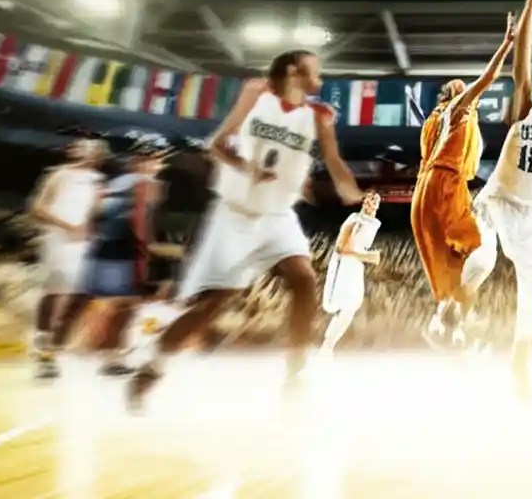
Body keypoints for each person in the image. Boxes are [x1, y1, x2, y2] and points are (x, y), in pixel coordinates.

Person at [127, 50, 362, 411]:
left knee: (303, 279)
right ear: (292, 70)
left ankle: (294, 375)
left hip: (277, 214)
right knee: (210, 306)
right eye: (314, 69)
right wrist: (246, 167)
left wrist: (350, 189)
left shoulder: (320, 115)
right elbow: (216, 144)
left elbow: (334, 160)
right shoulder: (257, 92)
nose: (321, 77)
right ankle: (150, 371)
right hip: (234, 214)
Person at [464, 17, 532, 399]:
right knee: (480, 258)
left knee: (531, 288)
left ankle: (519, 361)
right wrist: (527, 33)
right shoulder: (523, 112)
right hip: (495, 200)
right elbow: (520, 73)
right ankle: (455, 320)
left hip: (531, 216)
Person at [411, 0, 520, 349]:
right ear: (453, 94)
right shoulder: (457, 108)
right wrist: (506, 44)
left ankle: (451, 326)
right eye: (461, 85)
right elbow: (488, 78)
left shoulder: (431, 122)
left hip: (425, 191)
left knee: (458, 267)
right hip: (444, 183)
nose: (466, 87)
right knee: (485, 252)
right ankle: (449, 320)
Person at [49, 139, 179, 376]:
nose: (160, 164)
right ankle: (111, 358)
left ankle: (51, 354)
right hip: (124, 252)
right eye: (157, 159)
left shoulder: (113, 182)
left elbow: (95, 214)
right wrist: (148, 250)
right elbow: (141, 223)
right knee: (125, 306)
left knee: (81, 303)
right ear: (142, 160)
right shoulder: (149, 185)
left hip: (99, 248)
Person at [28, 138, 105, 380]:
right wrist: (67, 226)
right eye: (82, 146)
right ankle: (43, 346)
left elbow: (97, 213)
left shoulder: (98, 181)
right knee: (55, 291)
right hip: (60, 240)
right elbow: (37, 208)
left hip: (86, 243)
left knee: (84, 296)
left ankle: (53, 350)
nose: (86, 150)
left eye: (91, 147)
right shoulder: (59, 175)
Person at [320, 190, 383, 356]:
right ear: (364, 201)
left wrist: (365, 257)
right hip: (345, 264)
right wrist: (367, 257)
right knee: (341, 305)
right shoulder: (355, 220)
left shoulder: (373, 223)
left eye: (376, 201)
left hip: (355, 266)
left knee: (350, 307)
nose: (372, 204)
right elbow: (341, 247)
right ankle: (327, 346)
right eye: (370, 199)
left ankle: (328, 346)